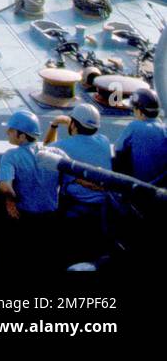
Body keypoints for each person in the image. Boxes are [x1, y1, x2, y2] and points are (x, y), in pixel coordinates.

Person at [43, 103, 111, 263]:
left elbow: (46, 151)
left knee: (69, 253)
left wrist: (54, 125)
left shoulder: (63, 146)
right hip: (103, 209)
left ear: (73, 124)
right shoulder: (105, 142)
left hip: (74, 209)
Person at [0, 109, 63, 269]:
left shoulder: (11, 156)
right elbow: (76, 179)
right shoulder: (56, 153)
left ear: (22, 136)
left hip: (24, 218)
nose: (7, 132)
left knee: (22, 260)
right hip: (50, 219)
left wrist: (10, 201)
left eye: (11, 130)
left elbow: (5, 187)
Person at [113, 90, 167, 186]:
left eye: (134, 109)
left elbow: (117, 148)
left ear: (140, 112)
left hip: (139, 185)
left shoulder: (134, 126)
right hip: (159, 185)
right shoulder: (164, 129)